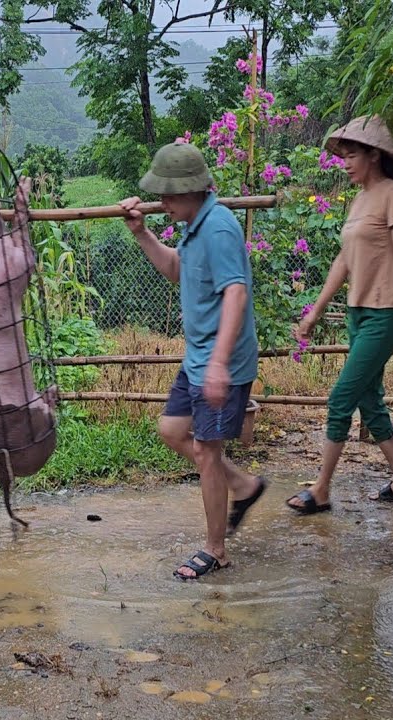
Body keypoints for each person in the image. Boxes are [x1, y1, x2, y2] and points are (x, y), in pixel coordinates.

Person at [119, 143, 266, 580]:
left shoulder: (218, 228)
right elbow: (178, 269)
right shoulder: (194, 226)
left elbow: (236, 293)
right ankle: (243, 486)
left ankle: (216, 550)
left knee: (206, 450)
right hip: (200, 357)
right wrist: (142, 233)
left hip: (221, 361)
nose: (162, 201)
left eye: (168, 194)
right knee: (172, 430)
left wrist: (219, 364)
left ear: (191, 190)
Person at [287, 116, 393, 515]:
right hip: (358, 312)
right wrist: (314, 312)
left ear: (373, 156)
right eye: (343, 156)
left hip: (385, 315)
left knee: (341, 398)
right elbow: (343, 261)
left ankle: (321, 488)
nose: (345, 163)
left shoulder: (391, 195)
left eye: (352, 156)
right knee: (369, 399)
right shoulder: (359, 200)